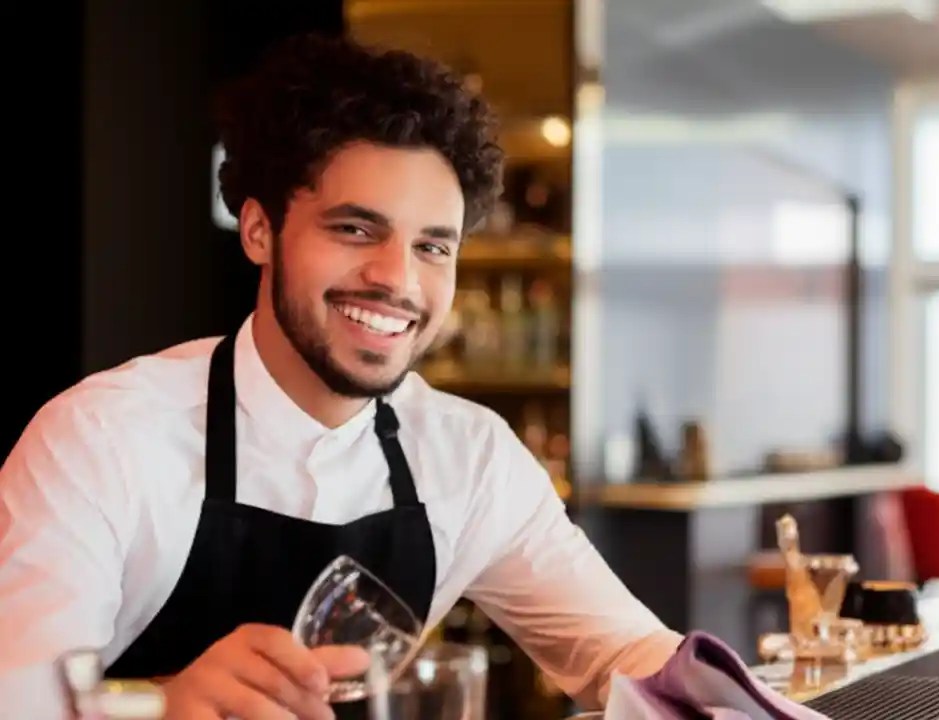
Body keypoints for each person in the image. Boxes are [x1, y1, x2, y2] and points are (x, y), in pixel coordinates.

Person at [0, 33, 681, 719]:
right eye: (356, 230)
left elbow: (627, 656)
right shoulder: (101, 439)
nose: (397, 278)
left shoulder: (470, 457)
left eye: (431, 246)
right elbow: (17, 697)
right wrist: (164, 705)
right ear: (259, 230)